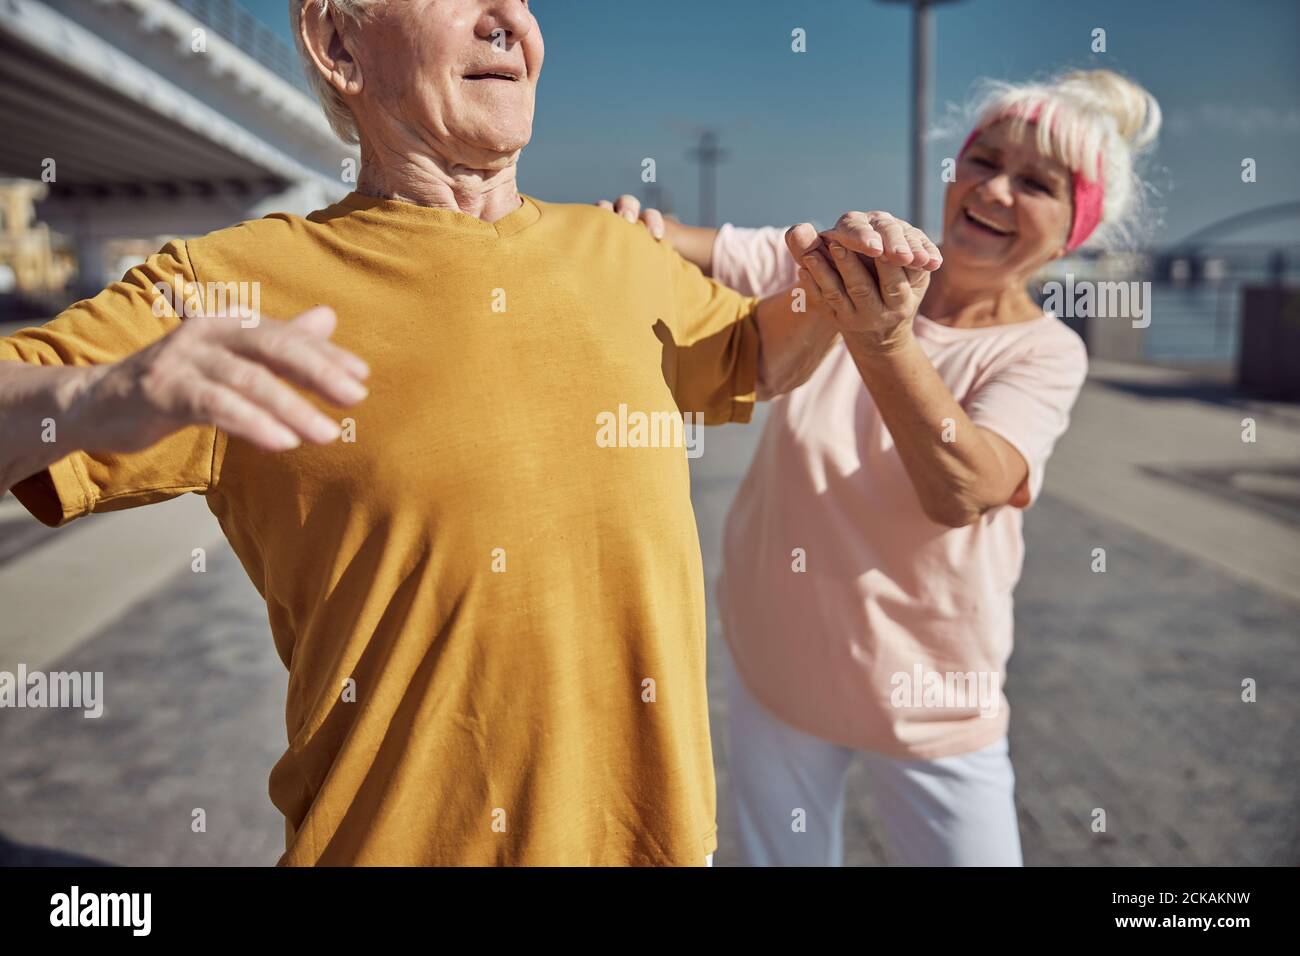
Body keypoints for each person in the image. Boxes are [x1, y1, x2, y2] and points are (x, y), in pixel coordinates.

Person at [0, 0, 940, 865]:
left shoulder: (621, 252)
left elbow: (754, 358)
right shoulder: (233, 281)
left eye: (525, 0)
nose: (510, 21)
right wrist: (99, 395)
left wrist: (844, 299)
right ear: (339, 47)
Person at [604, 69, 1161, 865]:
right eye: (982, 161)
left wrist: (883, 339)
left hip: (935, 698)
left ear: (1075, 230)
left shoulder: (1041, 352)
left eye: (1036, 183)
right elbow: (663, 241)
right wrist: (622, 228)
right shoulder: (839, 268)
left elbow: (963, 488)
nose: (994, 190)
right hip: (779, 671)